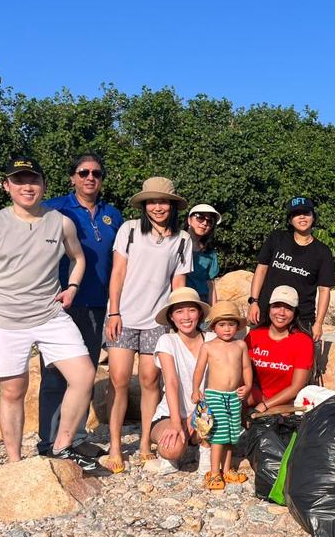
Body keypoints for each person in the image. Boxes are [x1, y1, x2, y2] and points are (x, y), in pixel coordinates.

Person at [0, 157, 105, 475]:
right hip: (5, 321)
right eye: (19, 180)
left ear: (43, 185)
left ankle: (61, 447)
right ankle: (14, 464)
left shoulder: (60, 222)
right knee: (13, 390)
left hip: (50, 315)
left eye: (33, 180)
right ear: (7, 185)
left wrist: (72, 286)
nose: (27, 186)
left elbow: (78, 258)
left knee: (83, 377)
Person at [104, 177, 193, 473]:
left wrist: (178, 322)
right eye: (152, 201)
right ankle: (115, 445)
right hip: (124, 316)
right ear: (144, 205)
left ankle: (144, 442)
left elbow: (178, 283)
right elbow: (117, 273)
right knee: (118, 380)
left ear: (172, 205)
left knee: (149, 380)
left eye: (163, 201)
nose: (157, 207)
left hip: (157, 318)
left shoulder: (181, 239)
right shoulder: (129, 230)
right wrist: (114, 312)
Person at [37, 153, 123, 459]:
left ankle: (74, 437)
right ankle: (48, 442)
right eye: (83, 172)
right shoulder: (54, 209)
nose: (90, 177)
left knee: (84, 372)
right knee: (54, 375)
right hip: (59, 303)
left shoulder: (113, 214)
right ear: (72, 177)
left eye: (96, 173)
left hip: (97, 304)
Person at [247, 197, 335, 341]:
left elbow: (324, 290)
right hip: (266, 312)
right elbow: (261, 269)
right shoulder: (277, 239)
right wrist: (253, 302)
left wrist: (318, 323)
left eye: (306, 213)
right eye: (296, 213)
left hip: (302, 317)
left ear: (313, 217)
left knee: (299, 361)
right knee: (257, 358)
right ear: (290, 219)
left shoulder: (323, 252)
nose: (302, 217)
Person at [151, 287, 212, 475]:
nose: (186, 316)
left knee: (210, 422)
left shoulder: (212, 339)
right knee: (172, 448)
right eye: (179, 311)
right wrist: (176, 423)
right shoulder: (167, 340)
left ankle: (201, 447)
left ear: (199, 313)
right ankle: (183, 445)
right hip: (171, 412)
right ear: (171, 316)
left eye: (191, 310)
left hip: (204, 411)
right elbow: (171, 382)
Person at [192, 301, 252, 490]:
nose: (227, 329)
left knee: (231, 434)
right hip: (214, 396)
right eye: (222, 324)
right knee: (217, 435)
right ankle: (214, 472)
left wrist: (248, 386)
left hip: (234, 396)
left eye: (231, 324)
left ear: (237, 326)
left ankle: (226, 469)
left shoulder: (240, 345)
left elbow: (246, 367)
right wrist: (195, 390)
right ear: (213, 326)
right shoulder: (208, 346)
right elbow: (199, 370)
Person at [245, 286, 314, 413]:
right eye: (276, 306)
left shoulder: (303, 341)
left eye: (288, 308)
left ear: (295, 313)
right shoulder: (253, 336)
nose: (281, 313)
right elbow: (242, 375)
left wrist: (265, 405)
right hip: (255, 398)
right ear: (269, 308)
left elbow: (296, 387)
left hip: (285, 404)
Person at [185, 203, 222, 306]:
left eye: (210, 221)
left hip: (202, 304)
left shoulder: (210, 253)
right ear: (189, 219)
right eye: (200, 217)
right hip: (179, 301)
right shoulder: (175, 244)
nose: (205, 223)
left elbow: (210, 285)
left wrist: (214, 312)